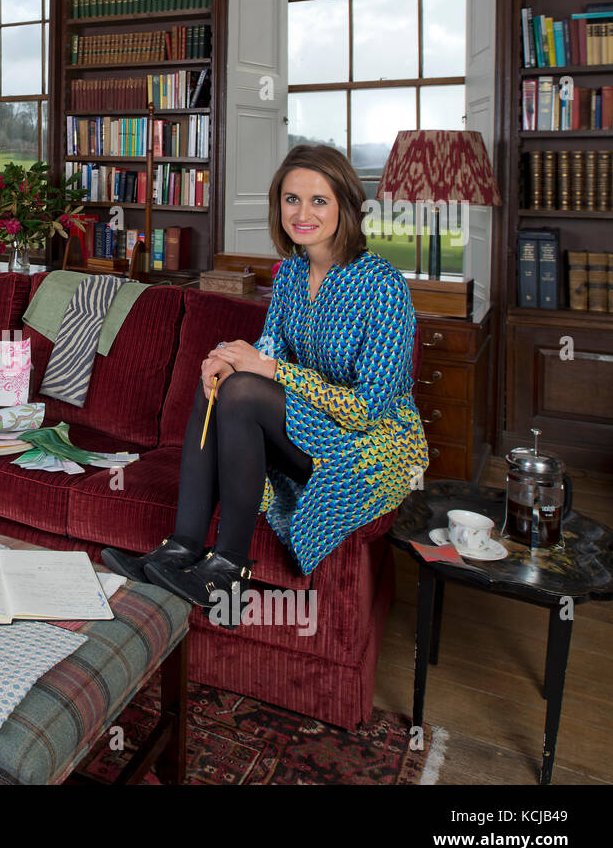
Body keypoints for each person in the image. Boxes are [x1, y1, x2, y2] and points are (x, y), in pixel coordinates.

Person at [101, 144, 428, 613]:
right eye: (292, 199)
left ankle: (229, 569)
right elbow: (268, 348)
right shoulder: (291, 272)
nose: (302, 212)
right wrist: (228, 362)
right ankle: (181, 547)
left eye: (319, 200)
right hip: (310, 426)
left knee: (244, 388)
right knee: (220, 381)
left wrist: (266, 369)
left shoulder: (383, 286)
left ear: (346, 207)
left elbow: (367, 409)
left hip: (375, 445)